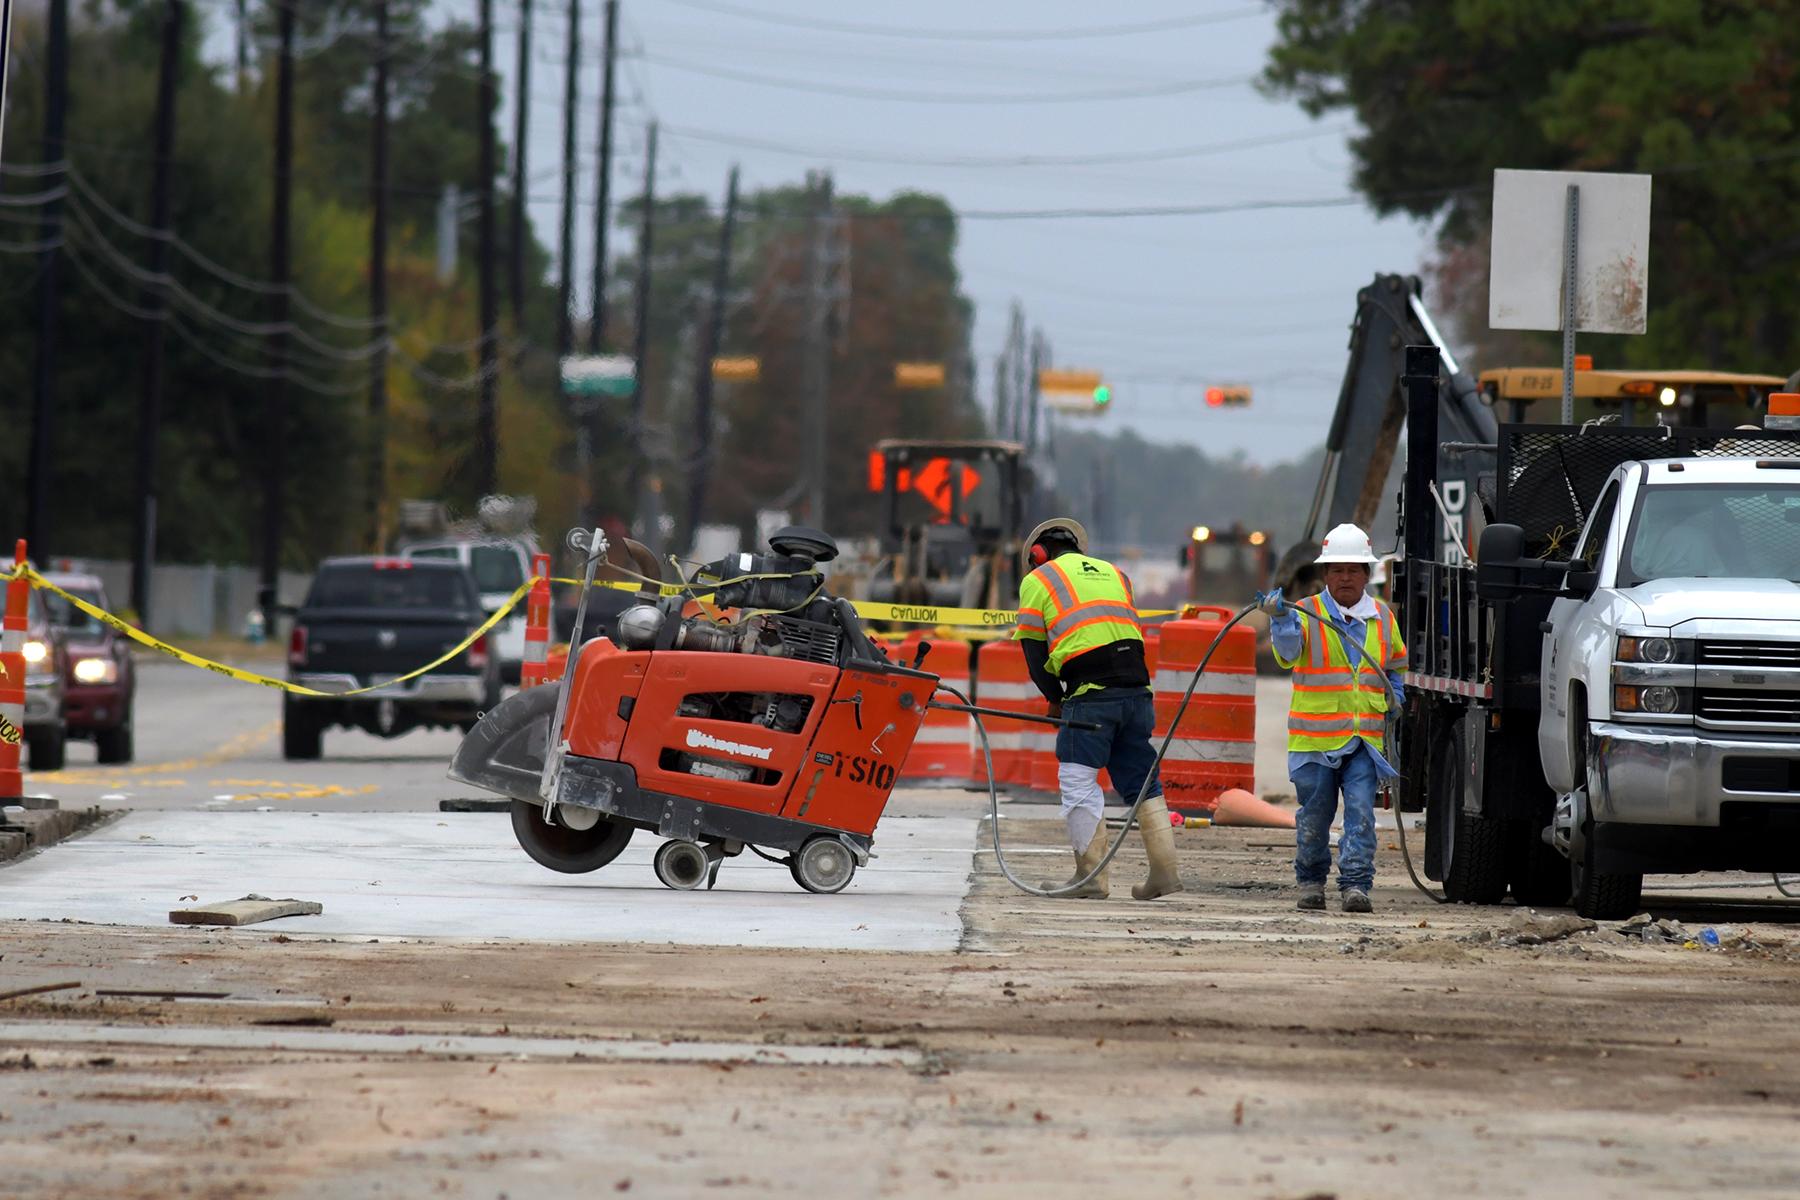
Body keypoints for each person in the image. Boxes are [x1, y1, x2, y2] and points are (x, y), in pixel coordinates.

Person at [1014, 517, 1182, 901]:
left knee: (1077, 781)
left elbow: (1034, 652)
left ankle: (1090, 877)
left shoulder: (1038, 580)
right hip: (1138, 692)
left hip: (1090, 694)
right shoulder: (1116, 574)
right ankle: (1164, 873)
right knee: (1142, 781)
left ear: (1038, 555)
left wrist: (1054, 699)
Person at [1261, 524, 1407, 913]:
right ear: (1325, 575)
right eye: (1338, 570)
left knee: (1360, 813)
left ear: (1366, 575)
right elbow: (1289, 654)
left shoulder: (1382, 617)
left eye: (1354, 570)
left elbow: (1395, 665)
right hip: (1314, 741)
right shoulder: (1305, 613)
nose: (1346, 577)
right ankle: (1310, 881)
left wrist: (1398, 695)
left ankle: (1356, 885)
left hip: (1364, 740)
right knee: (1315, 817)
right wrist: (1278, 621)